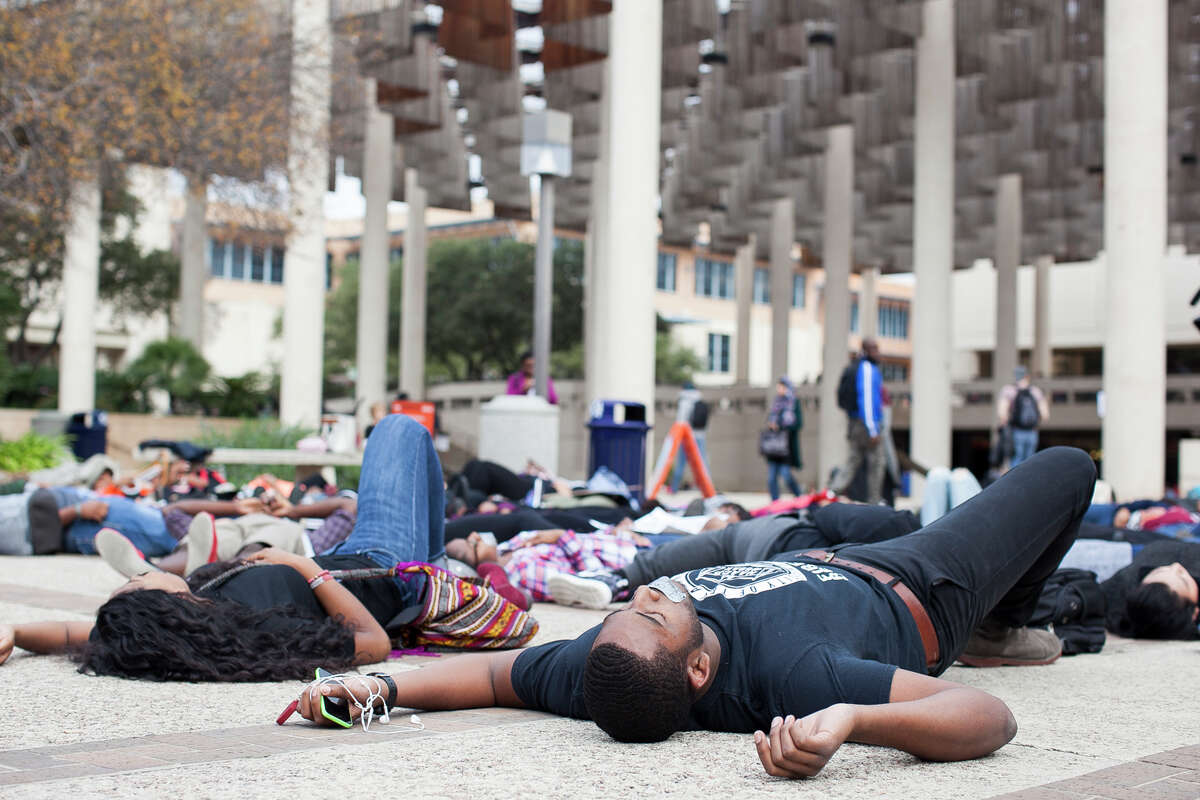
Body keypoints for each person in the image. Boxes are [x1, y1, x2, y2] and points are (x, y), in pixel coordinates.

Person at [290, 447, 1095, 780]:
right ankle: (998, 626)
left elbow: (492, 675)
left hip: (818, 553)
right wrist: (851, 719)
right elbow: (989, 719)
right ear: (699, 669)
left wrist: (380, 688)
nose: (645, 600)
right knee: (1066, 468)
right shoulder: (801, 678)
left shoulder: (610, 662)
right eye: (656, 614)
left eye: (634, 609)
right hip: (923, 584)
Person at [0, 414, 449, 681]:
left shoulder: (192, 628)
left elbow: (67, 633)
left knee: (400, 439)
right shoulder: (257, 635)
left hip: (346, 556)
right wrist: (301, 565)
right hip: (384, 568)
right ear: (166, 602)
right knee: (398, 428)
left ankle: (437, 563)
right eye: (137, 580)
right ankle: (432, 568)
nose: (133, 579)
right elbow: (373, 643)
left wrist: (16, 633)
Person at [548, 501, 920, 609]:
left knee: (662, 570)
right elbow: (829, 517)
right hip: (770, 555)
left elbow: (828, 514)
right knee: (673, 572)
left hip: (762, 549)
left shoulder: (899, 534)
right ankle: (610, 581)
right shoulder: (898, 536)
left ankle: (614, 581)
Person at [829, 339, 886, 504]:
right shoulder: (867, 368)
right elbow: (866, 400)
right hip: (866, 424)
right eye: (875, 349)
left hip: (856, 423)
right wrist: (873, 429)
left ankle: (833, 491)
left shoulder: (859, 366)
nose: (878, 353)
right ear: (866, 351)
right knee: (877, 463)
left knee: (853, 460)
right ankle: (874, 500)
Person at [997, 366, 1049, 468]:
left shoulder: (1009, 390)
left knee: (1016, 458)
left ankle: (1016, 480)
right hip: (1032, 430)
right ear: (1027, 376)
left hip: (1016, 429)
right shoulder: (1035, 390)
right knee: (1030, 459)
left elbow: (1002, 411)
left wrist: (1004, 421)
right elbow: (1045, 413)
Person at [764, 377, 802, 501]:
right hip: (774, 447)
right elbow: (770, 418)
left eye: (782, 386)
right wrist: (772, 425)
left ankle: (799, 497)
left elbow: (798, 423)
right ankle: (775, 502)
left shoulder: (793, 402)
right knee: (771, 478)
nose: (779, 389)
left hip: (786, 447)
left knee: (786, 476)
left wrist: (781, 426)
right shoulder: (776, 403)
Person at [670, 382, 710, 493]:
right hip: (700, 436)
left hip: (686, 436)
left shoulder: (684, 401)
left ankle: (674, 488)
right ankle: (707, 489)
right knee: (702, 463)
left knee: (681, 463)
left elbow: (680, 421)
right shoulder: (699, 400)